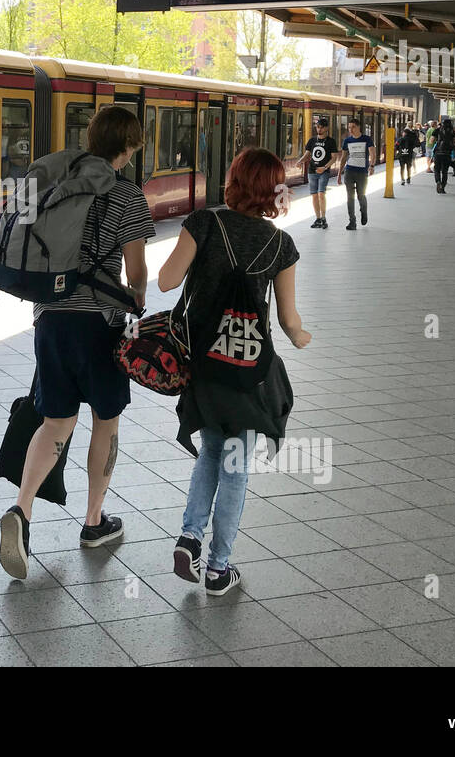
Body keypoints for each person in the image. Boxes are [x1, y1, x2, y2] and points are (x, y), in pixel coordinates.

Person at [0, 106, 153, 580]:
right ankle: (92, 522)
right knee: (105, 421)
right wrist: (138, 299)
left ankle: (22, 510)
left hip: (50, 319)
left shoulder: (55, 181)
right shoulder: (126, 195)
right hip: (99, 324)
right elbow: (136, 269)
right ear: (128, 147)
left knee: (56, 420)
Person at [158, 148, 310, 594]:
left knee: (210, 451)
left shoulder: (204, 223)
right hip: (247, 369)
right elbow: (288, 320)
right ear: (273, 191)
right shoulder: (281, 245)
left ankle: (190, 535)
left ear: (234, 180)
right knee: (236, 466)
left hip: (203, 364)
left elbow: (167, 281)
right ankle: (220, 567)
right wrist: (303, 338)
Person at [337, 118, 375, 230]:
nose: (351, 129)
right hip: (349, 171)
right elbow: (343, 158)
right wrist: (340, 173)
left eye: (353, 127)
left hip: (362, 172)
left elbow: (372, 153)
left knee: (361, 196)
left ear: (359, 127)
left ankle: (364, 211)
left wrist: (371, 166)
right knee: (350, 197)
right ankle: (352, 222)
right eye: (349, 127)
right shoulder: (347, 141)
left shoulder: (367, 139)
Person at [302, 117, 338, 229]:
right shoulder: (312, 140)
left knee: (321, 193)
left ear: (326, 128)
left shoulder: (331, 141)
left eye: (321, 127)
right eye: (317, 127)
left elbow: (334, 158)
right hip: (312, 171)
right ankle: (317, 218)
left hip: (324, 171)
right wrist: (300, 161)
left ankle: (323, 218)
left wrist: (325, 167)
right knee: (314, 195)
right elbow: (307, 154)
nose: (319, 129)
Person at [431, 117, 455, 194]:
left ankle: (438, 181)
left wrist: (437, 142)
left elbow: (431, 141)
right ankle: (443, 187)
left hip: (438, 153)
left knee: (437, 169)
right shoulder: (452, 131)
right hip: (447, 154)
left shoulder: (438, 130)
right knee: (445, 171)